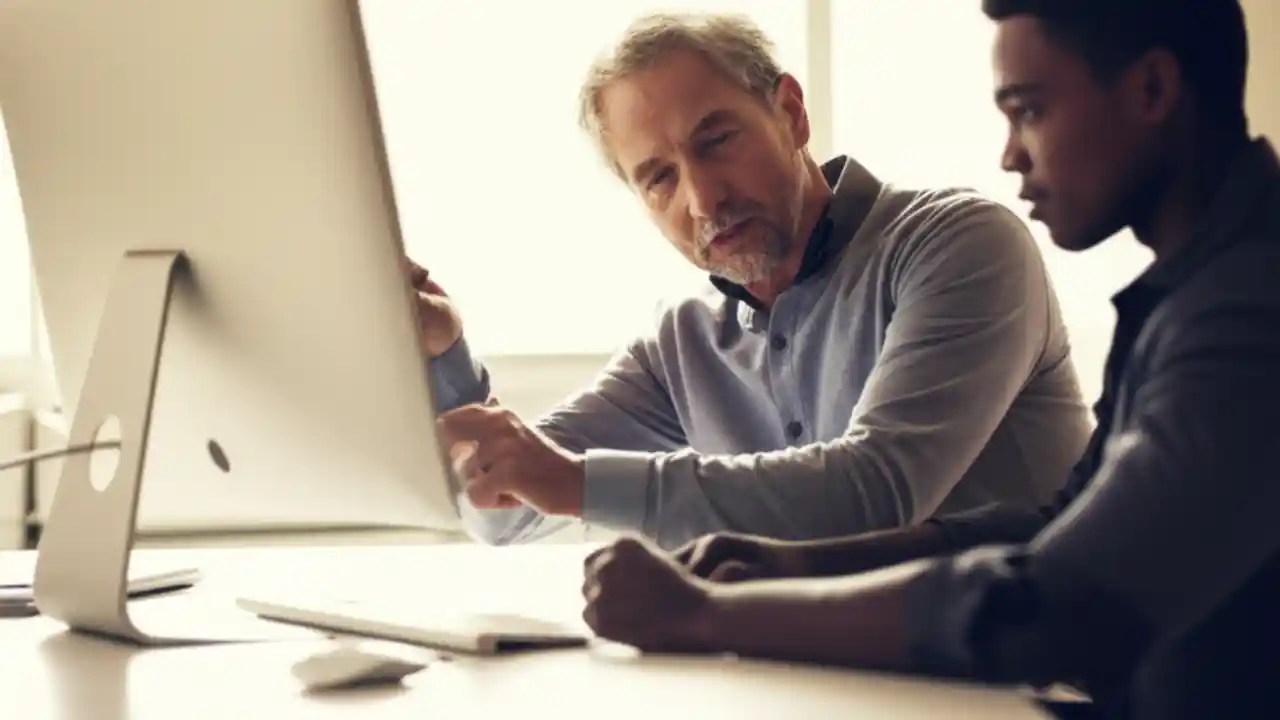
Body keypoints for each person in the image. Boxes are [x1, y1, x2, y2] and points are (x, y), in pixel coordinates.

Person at [581, 1, 1280, 717]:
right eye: (658, 176)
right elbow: (1057, 527)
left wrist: (705, 615)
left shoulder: (1248, 311)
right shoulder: (1193, 291)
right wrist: (788, 564)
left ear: (1153, 92)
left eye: (1030, 112)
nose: (1011, 154)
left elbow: (1061, 605)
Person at [414, 13, 1090, 550]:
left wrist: (576, 484)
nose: (704, 201)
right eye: (660, 177)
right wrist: (445, 353)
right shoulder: (682, 342)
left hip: (1029, 690)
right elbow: (503, 515)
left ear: (791, 113)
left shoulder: (959, 244)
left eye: (716, 143)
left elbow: (878, 494)